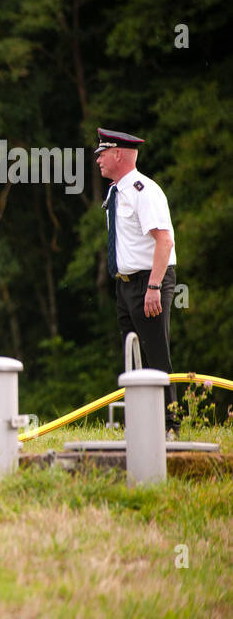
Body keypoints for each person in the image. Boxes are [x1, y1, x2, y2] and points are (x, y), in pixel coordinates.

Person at [96, 128, 180, 433]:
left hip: (149, 280)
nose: (98, 161)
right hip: (126, 283)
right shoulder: (116, 191)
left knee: (156, 353)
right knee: (133, 353)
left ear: (118, 154)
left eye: (102, 154)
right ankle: (141, 424)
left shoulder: (145, 190)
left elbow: (165, 241)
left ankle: (169, 426)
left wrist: (154, 286)